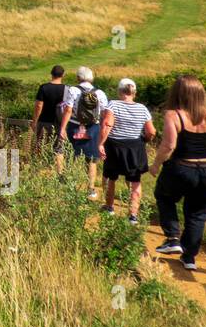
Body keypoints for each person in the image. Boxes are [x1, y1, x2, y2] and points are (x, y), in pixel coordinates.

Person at [149, 75, 206, 270]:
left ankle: (173, 237)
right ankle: (189, 257)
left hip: (181, 168)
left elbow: (169, 146)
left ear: (178, 93)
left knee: (164, 196)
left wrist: (156, 165)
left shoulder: (173, 115)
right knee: (198, 213)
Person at [97, 78, 155, 224]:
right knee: (135, 181)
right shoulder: (142, 108)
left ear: (120, 91)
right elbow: (151, 131)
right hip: (135, 147)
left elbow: (107, 124)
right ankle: (133, 215)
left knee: (111, 178)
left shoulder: (113, 105)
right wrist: (144, 140)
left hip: (115, 146)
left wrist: (101, 143)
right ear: (134, 93)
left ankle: (110, 207)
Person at [58, 66, 107, 199]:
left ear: (78, 77)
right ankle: (91, 189)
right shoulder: (100, 93)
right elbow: (104, 114)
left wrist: (62, 128)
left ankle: (69, 185)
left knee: (70, 157)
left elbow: (68, 110)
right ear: (91, 78)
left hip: (74, 126)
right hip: (93, 128)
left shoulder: (73, 90)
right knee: (91, 160)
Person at [31, 65, 67, 154]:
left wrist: (35, 121)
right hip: (59, 123)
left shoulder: (44, 87)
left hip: (44, 121)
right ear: (63, 75)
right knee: (59, 149)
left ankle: (38, 165)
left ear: (51, 74)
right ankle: (59, 168)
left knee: (39, 146)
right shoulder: (66, 89)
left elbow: (39, 106)